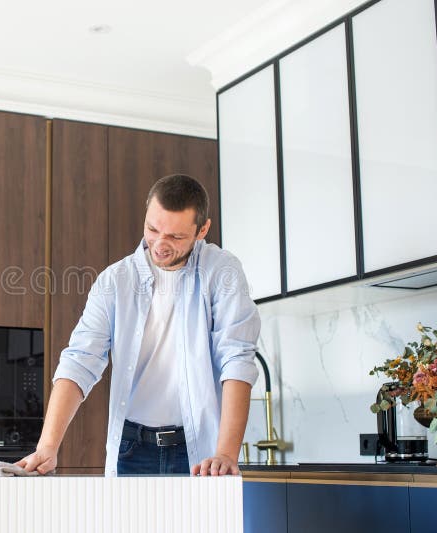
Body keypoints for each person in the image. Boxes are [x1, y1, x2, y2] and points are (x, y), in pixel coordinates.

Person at [17, 174, 260, 476]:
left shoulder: (222, 271)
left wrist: (226, 452)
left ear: (202, 230)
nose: (160, 244)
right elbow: (80, 361)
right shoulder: (114, 281)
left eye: (175, 237)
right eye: (153, 229)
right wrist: (47, 447)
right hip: (131, 448)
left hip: (200, 451)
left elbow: (236, 358)